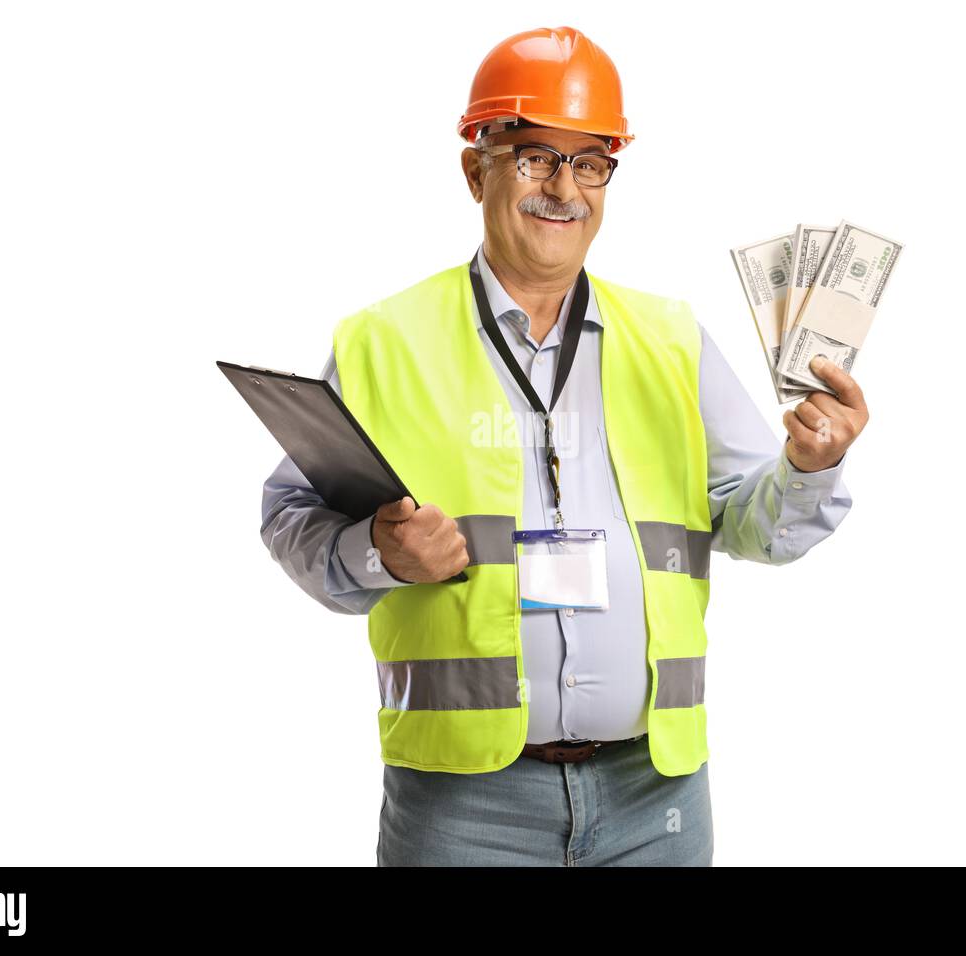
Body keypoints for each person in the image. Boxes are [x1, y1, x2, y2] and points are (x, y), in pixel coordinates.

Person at [258, 26, 866, 866]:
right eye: (534, 156)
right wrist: (381, 554)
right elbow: (290, 514)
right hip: (464, 808)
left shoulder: (670, 338)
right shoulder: (381, 342)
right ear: (477, 170)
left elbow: (757, 526)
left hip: (655, 798)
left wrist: (808, 467)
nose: (564, 188)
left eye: (590, 162)